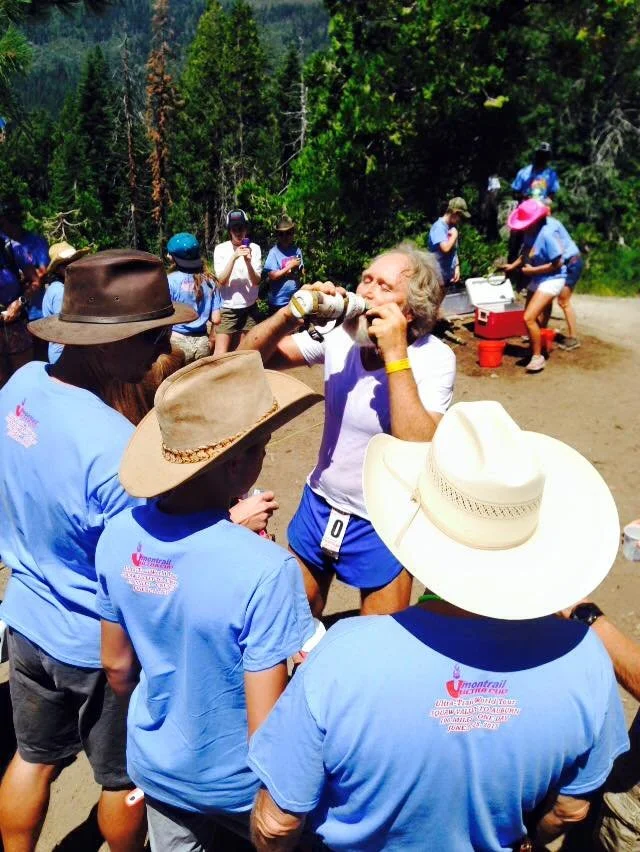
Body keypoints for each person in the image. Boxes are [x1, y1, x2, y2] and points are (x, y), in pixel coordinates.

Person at [248, 399, 628, 852]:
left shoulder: (346, 655)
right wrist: (533, 835)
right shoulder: (583, 656)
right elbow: (571, 809)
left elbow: (276, 824)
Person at [0, 249, 197, 852]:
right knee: (122, 778)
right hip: (91, 640)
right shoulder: (116, 449)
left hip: (25, 618)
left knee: (32, 758)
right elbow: (140, 565)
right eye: (152, 335)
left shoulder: (22, 385)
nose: (162, 345)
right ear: (108, 344)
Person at [96, 351, 322, 851]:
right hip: (237, 786)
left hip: (158, 767)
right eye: (262, 446)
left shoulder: (117, 536)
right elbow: (266, 727)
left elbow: (115, 666)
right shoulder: (265, 570)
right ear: (237, 462)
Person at [240, 243, 456, 617]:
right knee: (295, 617)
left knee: (377, 639)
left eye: (384, 286)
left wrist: (395, 354)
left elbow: (418, 445)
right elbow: (248, 359)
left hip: (383, 520)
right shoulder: (342, 334)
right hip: (320, 500)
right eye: (366, 279)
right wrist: (291, 315)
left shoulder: (434, 358)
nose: (366, 291)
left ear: (411, 309)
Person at [502, 199, 565, 373]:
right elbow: (525, 253)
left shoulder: (547, 234)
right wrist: (513, 266)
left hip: (553, 277)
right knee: (531, 317)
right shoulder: (531, 232)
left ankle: (537, 357)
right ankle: (539, 346)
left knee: (528, 318)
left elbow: (558, 263)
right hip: (538, 275)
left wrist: (533, 271)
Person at [166, 232, 221, 362]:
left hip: (176, 343)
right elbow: (216, 318)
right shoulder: (210, 281)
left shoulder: (169, 281)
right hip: (202, 343)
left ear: (174, 258)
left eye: (169, 254)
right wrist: (211, 341)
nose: (167, 256)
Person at [213, 210, 262, 355]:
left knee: (245, 351)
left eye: (241, 227)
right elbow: (221, 281)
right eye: (235, 228)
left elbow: (256, 282)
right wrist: (234, 257)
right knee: (220, 353)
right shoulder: (221, 249)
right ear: (229, 230)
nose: (238, 232)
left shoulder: (255, 249)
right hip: (228, 308)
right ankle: (216, 377)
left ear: (246, 228)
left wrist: (248, 262)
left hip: (249, 308)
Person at [41, 241, 91, 364]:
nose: (73, 266)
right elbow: (65, 330)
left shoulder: (63, 287)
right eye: (66, 264)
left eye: (75, 261)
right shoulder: (60, 291)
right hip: (65, 354)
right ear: (58, 269)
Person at [545, 212, 583, 351]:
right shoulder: (548, 224)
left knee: (563, 300)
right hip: (568, 262)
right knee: (546, 297)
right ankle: (541, 329)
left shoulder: (549, 227)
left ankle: (573, 338)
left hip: (571, 263)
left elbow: (558, 252)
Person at [262, 215, 304, 314]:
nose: (285, 237)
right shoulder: (274, 252)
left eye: (288, 233)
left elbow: (302, 273)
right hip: (278, 302)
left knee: (295, 328)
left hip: (294, 299)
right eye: (281, 234)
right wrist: (289, 267)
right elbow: (272, 275)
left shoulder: (296, 250)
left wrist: (295, 271)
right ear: (277, 235)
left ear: (293, 233)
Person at [427, 197, 471, 287]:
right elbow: (445, 248)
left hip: (448, 277)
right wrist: (454, 235)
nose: (460, 220)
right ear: (455, 213)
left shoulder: (451, 227)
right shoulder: (439, 227)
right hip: (437, 278)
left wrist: (457, 266)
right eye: (461, 216)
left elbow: (453, 250)